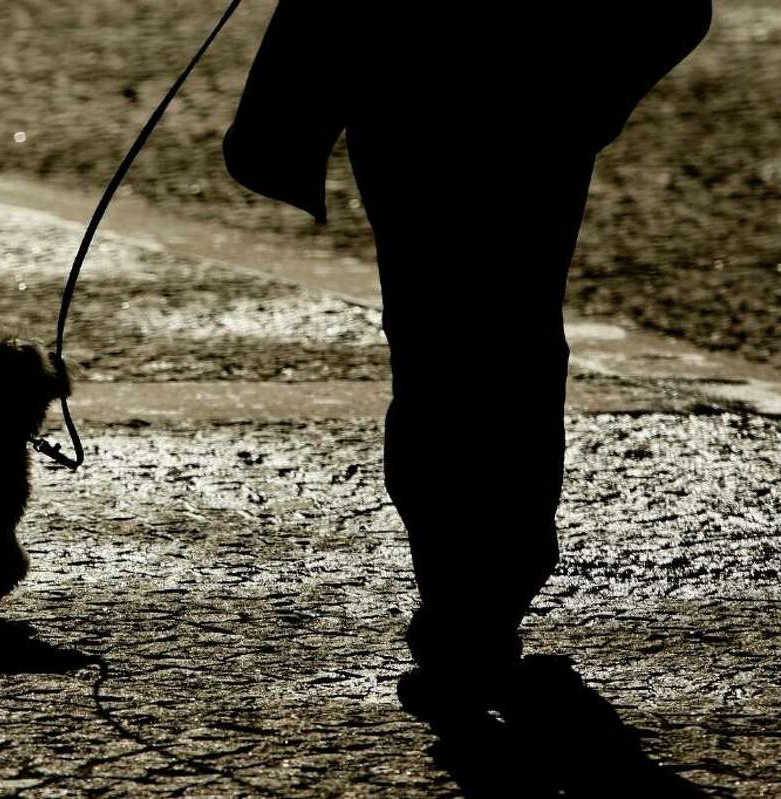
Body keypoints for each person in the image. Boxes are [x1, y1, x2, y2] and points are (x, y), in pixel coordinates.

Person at [225, 2, 712, 728]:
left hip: (416, 107)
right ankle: (486, 599)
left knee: (439, 354)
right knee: (510, 350)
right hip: (519, 115)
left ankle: (463, 608)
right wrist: (583, 106)